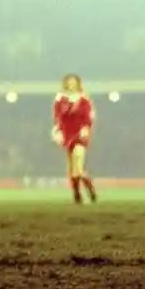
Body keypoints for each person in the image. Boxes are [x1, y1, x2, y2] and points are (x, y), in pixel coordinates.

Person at [52, 73, 97, 204]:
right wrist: (58, 130)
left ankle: (89, 188)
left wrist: (86, 128)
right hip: (67, 133)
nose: (71, 84)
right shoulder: (60, 99)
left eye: (73, 82)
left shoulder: (83, 99)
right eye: (69, 82)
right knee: (72, 167)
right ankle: (77, 193)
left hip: (80, 134)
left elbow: (89, 116)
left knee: (78, 163)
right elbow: (57, 116)